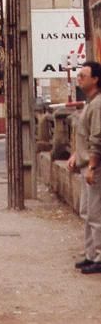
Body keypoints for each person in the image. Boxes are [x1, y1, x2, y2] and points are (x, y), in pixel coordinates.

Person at [68, 62, 101, 274]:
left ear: (95, 79)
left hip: (95, 168)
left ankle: (99, 256)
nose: (79, 78)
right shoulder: (90, 103)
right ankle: (91, 254)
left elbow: (97, 138)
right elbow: (84, 134)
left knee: (96, 214)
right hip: (85, 164)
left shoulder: (97, 105)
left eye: (83, 75)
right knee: (87, 212)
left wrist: (91, 166)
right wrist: (75, 154)